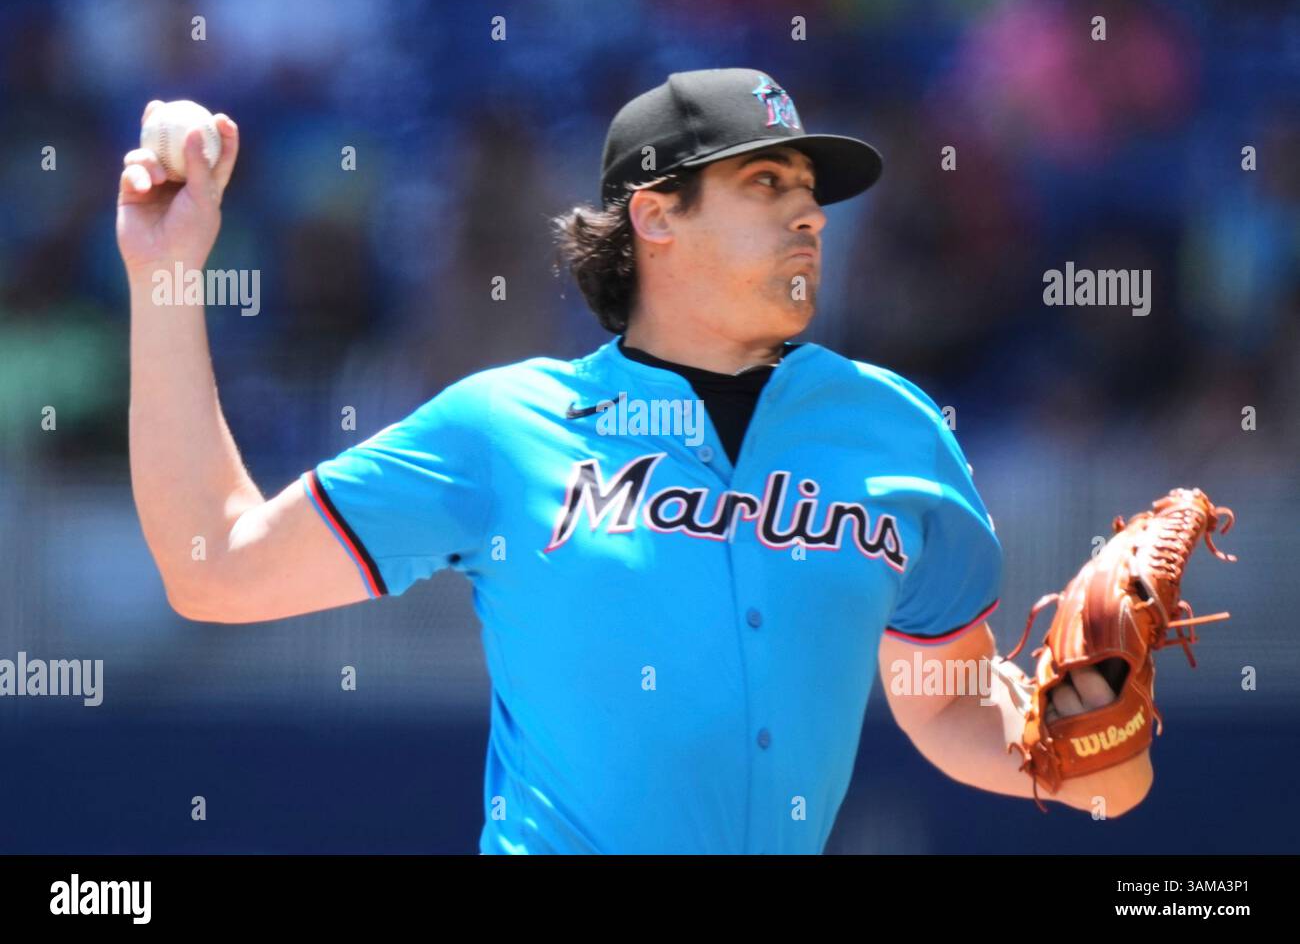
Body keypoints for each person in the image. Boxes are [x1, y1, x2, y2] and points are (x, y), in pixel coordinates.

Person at [118, 68, 1151, 854]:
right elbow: (216, 566)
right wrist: (166, 276)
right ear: (654, 214)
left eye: (811, 189)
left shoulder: (895, 431)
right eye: (764, 180)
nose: (807, 211)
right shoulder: (505, 426)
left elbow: (942, 699)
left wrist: (1072, 745)